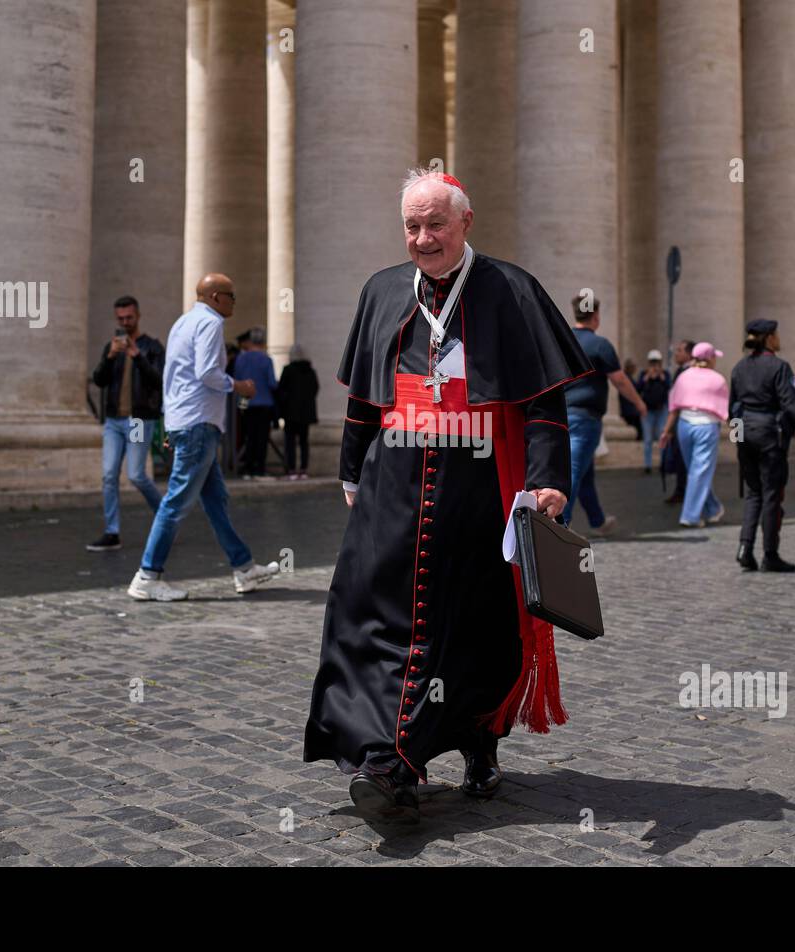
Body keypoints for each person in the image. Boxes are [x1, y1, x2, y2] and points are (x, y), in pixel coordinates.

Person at [303, 170, 591, 821]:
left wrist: (548, 479)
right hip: (392, 491)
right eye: (412, 225)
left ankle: (477, 740)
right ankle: (386, 758)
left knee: (476, 625)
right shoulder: (382, 291)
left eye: (436, 224)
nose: (423, 237)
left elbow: (543, 402)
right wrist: (352, 473)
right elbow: (363, 398)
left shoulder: (509, 290)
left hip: (478, 492)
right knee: (368, 611)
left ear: (466, 222)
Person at [126, 274, 281, 601]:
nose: (234, 302)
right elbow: (207, 373)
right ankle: (147, 575)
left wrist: (171, 423)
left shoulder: (182, 323)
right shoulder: (210, 325)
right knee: (176, 501)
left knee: (215, 502)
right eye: (231, 296)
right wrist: (239, 386)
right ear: (214, 296)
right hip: (199, 423)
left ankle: (243, 567)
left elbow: (172, 378)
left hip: (188, 421)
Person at [730, 320, 795, 572]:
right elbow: (794, 405)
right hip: (770, 434)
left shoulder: (739, 368)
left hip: (745, 432)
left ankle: (745, 547)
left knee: (753, 493)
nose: (779, 338)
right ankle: (770, 554)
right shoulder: (780, 367)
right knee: (771, 494)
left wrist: (738, 443)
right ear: (769, 338)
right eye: (776, 334)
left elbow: (732, 408)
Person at [561, 295, 646, 535]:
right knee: (574, 471)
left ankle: (598, 521)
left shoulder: (561, 339)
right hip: (585, 418)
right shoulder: (600, 345)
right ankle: (559, 525)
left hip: (561, 414)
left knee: (584, 471)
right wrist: (639, 403)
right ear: (596, 317)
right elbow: (619, 380)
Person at [87, 295, 165, 551]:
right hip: (113, 421)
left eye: (129, 317)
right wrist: (110, 357)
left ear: (138, 316)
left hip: (140, 419)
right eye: (120, 319)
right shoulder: (112, 347)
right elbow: (98, 380)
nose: (125, 322)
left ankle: (166, 518)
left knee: (136, 475)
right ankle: (112, 532)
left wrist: (137, 356)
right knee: (109, 475)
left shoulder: (152, 347)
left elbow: (159, 381)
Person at [660, 342, 729, 529]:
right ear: (710, 358)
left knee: (695, 471)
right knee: (700, 471)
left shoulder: (683, 377)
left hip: (684, 425)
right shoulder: (717, 379)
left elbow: (674, 406)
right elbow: (725, 410)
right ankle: (690, 516)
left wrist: (666, 431)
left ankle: (713, 508)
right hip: (706, 427)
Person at [233, 326, 279, 479]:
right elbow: (272, 383)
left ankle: (248, 468)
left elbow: (237, 379)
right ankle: (259, 469)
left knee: (248, 436)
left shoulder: (240, 358)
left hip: (245, 402)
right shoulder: (266, 359)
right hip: (264, 402)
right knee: (261, 437)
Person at [275, 343, 318, 479]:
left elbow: (281, 390)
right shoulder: (310, 371)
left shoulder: (288, 370)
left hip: (290, 412)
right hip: (306, 413)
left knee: (290, 442)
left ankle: (292, 469)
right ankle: (304, 469)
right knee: (304, 442)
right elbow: (315, 389)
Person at [664, 339, 695, 504]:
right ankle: (681, 490)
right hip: (678, 421)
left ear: (689, 354)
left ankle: (686, 492)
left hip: (686, 420)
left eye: (680, 350)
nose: (676, 353)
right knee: (679, 458)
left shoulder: (691, 372)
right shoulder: (680, 371)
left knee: (685, 458)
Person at [637, 349, 670, 475]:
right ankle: (648, 464)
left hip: (661, 409)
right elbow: (637, 388)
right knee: (648, 438)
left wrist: (661, 377)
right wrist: (646, 378)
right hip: (648, 410)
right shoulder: (644, 374)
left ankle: (663, 463)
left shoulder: (665, 374)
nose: (655, 365)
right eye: (652, 362)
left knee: (662, 436)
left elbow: (670, 387)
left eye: (657, 362)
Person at [618, 358, 643, 439]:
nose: (635, 369)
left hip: (631, 410)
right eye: (634, 367)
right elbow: (633, 390)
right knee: (637, 432)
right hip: (629, 411)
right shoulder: (626, 378)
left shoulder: (627, 377)